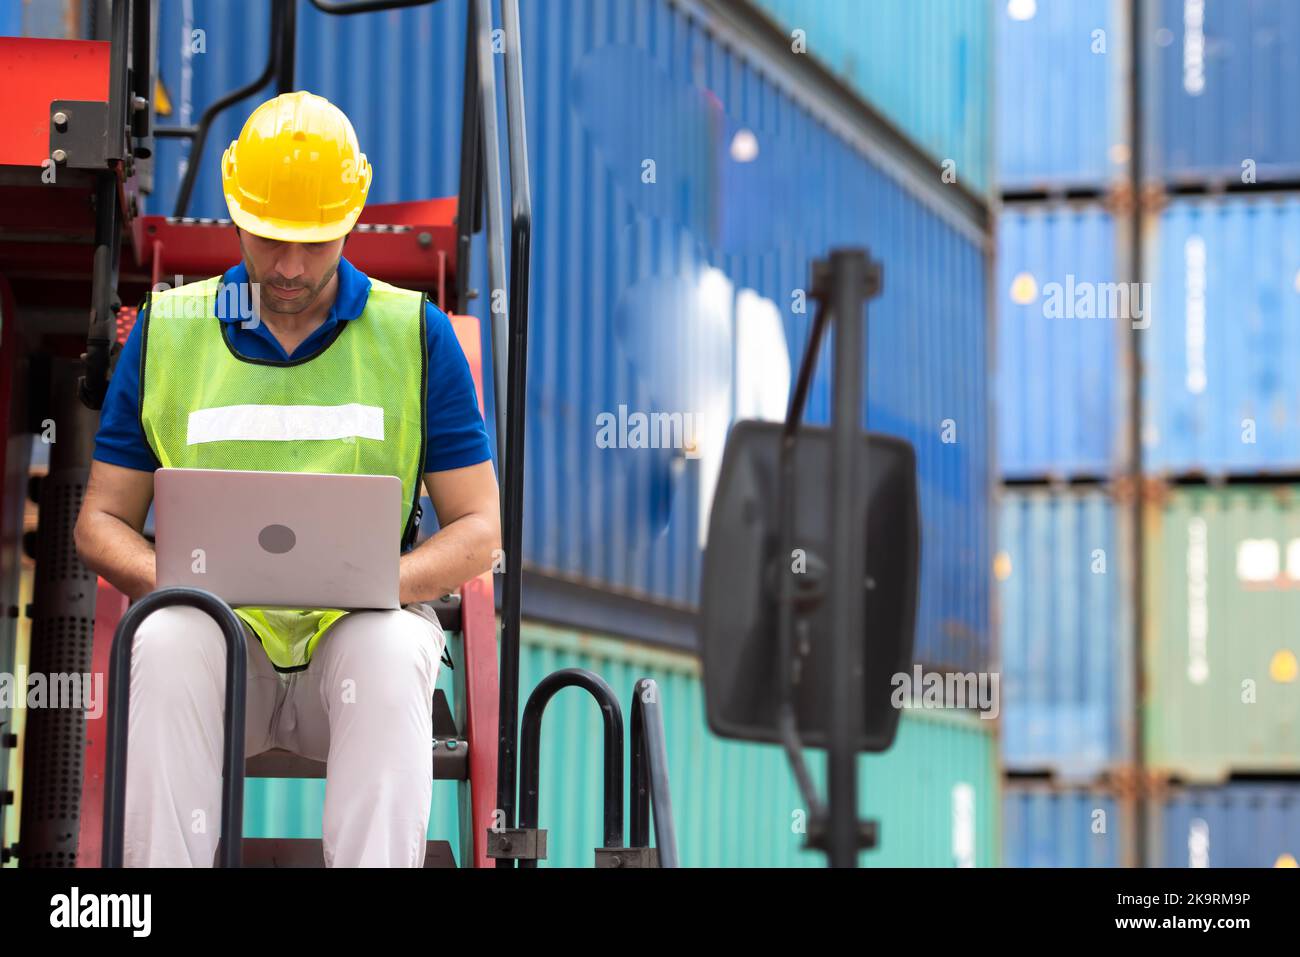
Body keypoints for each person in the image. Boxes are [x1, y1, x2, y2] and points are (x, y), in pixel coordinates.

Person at [74, 91, 501, 867]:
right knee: (166, 634)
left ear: (352, 221)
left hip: (345, 658)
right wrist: (175, 581)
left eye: (316, 242)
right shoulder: (167, 333)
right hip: (221, 655)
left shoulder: (415, 336)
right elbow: (99, 520)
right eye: (271, 240)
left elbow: (479, 530)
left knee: (394, 641)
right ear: (236, 218)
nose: (292, 267)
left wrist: (385, 582)